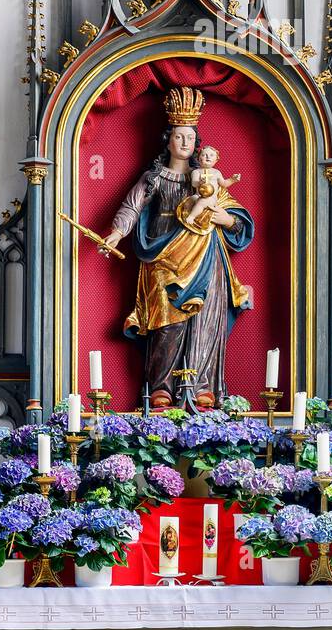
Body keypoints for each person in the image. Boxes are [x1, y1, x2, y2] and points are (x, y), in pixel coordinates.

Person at [96, 87, 253, 409]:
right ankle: (162, 387)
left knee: (206, 319)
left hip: (207, 256)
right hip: (163, 255)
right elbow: (131, 207)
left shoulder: (208, 178)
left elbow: (237, 221)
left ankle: (202, 387)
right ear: (167, 139)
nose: (186, 144)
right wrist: (115, 233)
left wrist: (223, 218)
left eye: (191, 138)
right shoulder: (154, 177)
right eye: (179, 137)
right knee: (168, 321)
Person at [184, 145, 241, 230]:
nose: (207, 157)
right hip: (198, 195)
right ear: (199, 158)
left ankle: (192, 217)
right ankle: (190, 223)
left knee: (202, 201)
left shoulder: (216, 172)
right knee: (189, 202)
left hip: (211, 198)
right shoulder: (196, 172)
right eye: (204, 155)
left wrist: (232, 180)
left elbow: (224, 184)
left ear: (216, 160)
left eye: (211, 155)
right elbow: (194, 183)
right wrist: (200, 182)